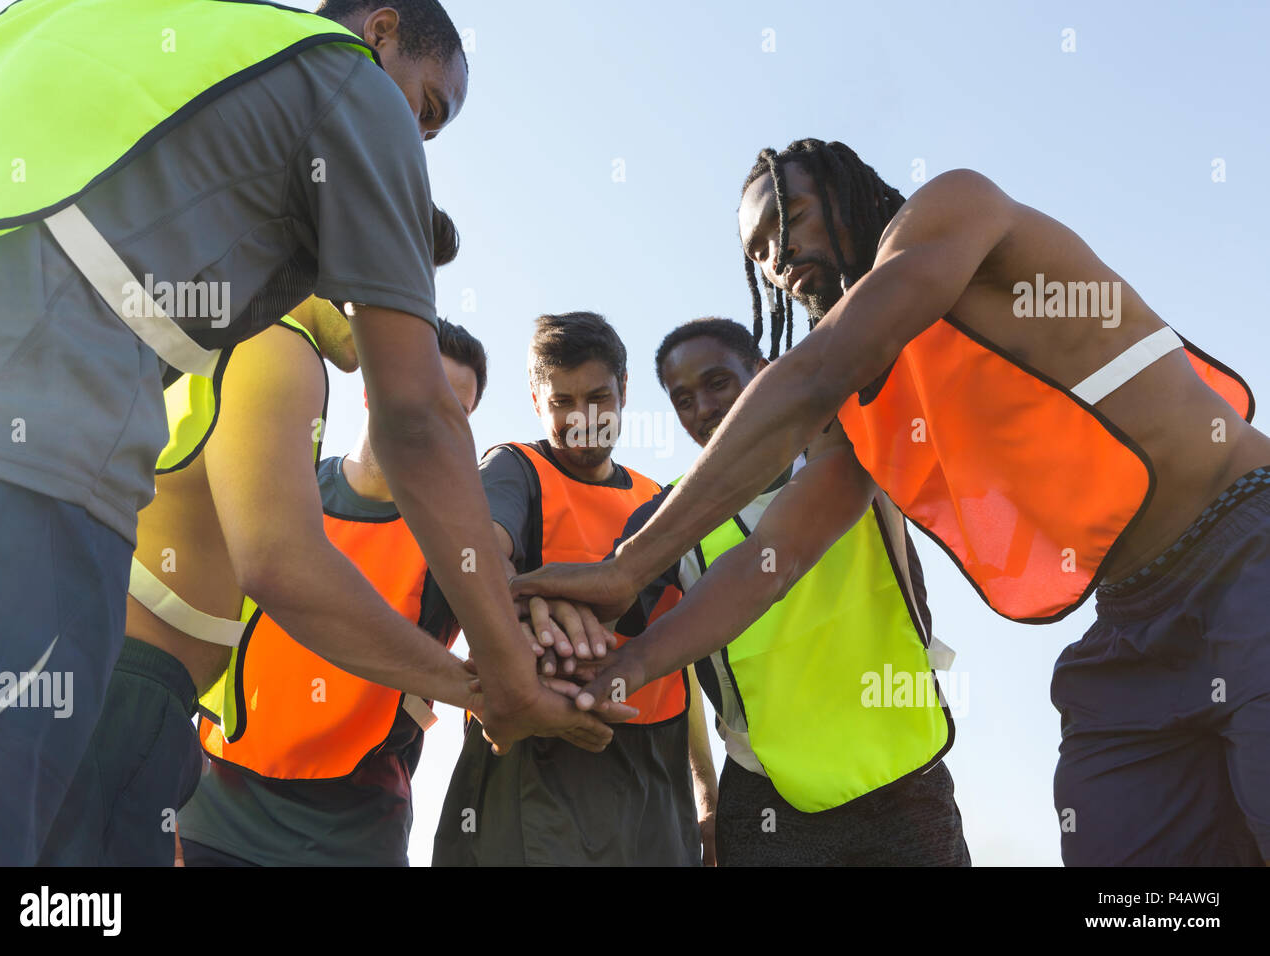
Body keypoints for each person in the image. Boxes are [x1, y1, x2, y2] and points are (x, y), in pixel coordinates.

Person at [516, 138, 1269, 867]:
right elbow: (772, 561)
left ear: (846, 194)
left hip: (1247, 547)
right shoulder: (862, 403)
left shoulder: (957, 207)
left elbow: (811, 375)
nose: (777, 262)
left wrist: (624, 570)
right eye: (758, 255)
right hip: (1132, 626)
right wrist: (626, 667)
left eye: (790, 221)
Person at [0, 0, 602, 866]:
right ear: (380, 30)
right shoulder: (342, 103)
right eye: (424, 107)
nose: (412, 146)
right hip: (35, 475)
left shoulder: (164, 50)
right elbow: (358, 477)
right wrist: (498, 682)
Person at [606, 315, 969, 865]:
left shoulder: (858, 446)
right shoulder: (661, 520)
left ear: (765, 374)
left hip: (906, 783)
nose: (702, 408)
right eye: (682, 399)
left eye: (717, 383)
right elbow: (606, 623)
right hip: (768, 799)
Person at [178, 318, 489, 867]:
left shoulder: (459, 549)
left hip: (354, 836)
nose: (427, 420)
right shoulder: (274, 492)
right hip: (213, 814)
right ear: (371, 390)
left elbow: (509, 639)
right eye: (414, 395)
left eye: (452, 411)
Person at [432, 312, 706, 866]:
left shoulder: (664, 499)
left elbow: (687, 661)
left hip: (656, 766)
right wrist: (534, 607)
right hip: (537, 757)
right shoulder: (514, 467)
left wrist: (705, 788)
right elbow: (479, 550)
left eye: (599, 397)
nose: (582, 419)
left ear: (625, 389)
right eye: (562, 402)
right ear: (537, 402)